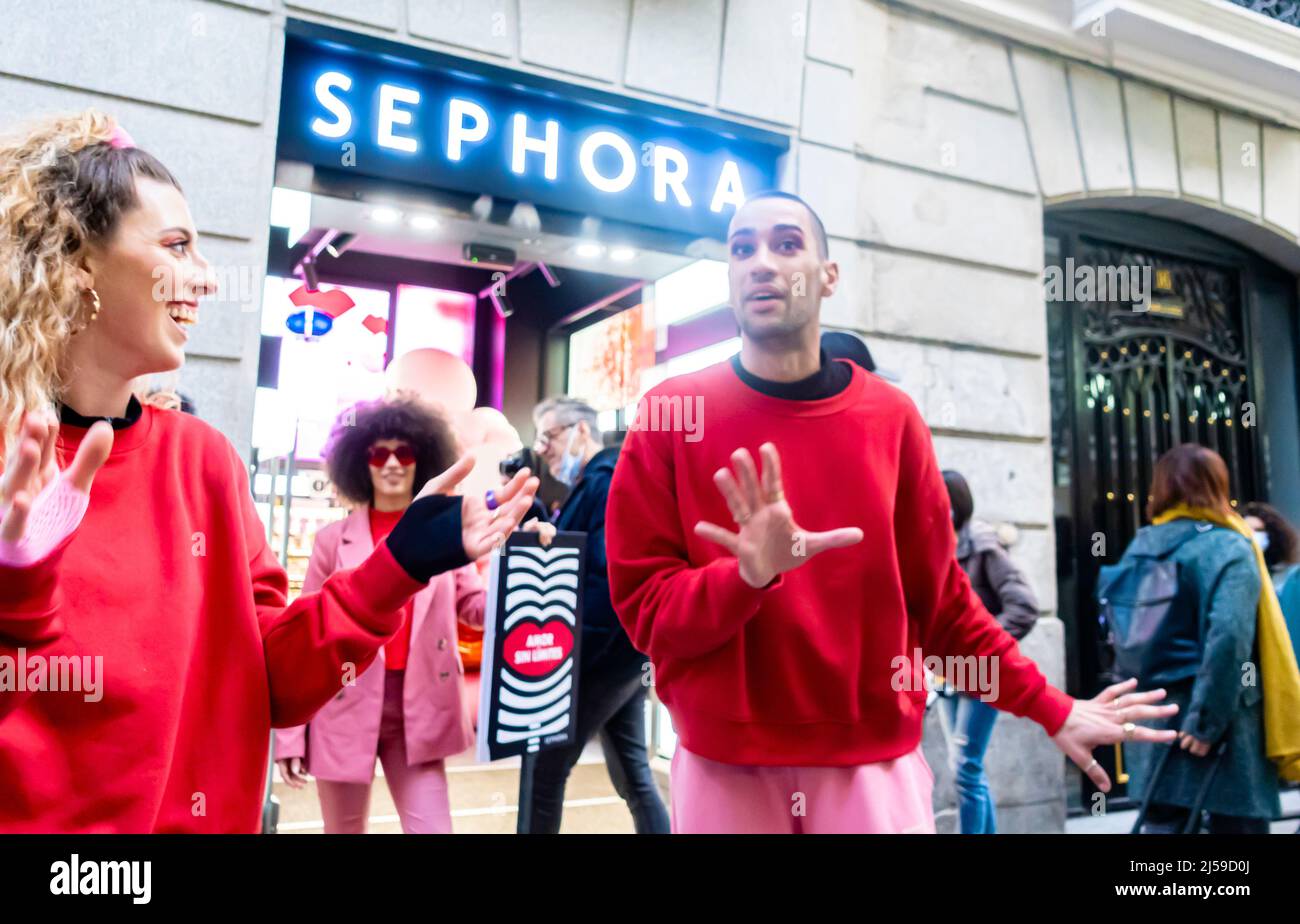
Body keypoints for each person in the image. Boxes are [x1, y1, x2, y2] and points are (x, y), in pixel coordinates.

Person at [0, 110, 538, 833]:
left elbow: (270, 684)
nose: (206, 279)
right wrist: (16, 595)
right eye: (178, 246)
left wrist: (403, 561)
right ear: (78, 260)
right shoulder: (14, 465)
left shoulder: (203, 461)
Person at [605, 190, 1176, 834]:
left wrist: (1050, 707)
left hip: (872, 765)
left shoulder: (891, 418)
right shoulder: (667, 415)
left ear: (828, 277)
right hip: (722, 765)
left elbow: (943, 609)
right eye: (742, 249)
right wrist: (746, 577)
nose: (761, 262)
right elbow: (645, 614)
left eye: (786, 244)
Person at [275, 397, 486, 834]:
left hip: (420, 712)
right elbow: (304, 636)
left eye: (404, 452)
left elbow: (476, 608)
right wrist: (290, 737)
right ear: (361, 462)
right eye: (379, 453)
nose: (392, 463)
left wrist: (520, 562)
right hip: (341, 709)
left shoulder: (445, 533)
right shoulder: (332, 540)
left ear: (422, 459)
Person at [516, 397, 670, 834]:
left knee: (542, 771)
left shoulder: (605, 482)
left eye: (550, 435)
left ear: (581, 430)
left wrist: (568, 654)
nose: (542, 447)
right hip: (624, 656)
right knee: (634, 776)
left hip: (598, 655)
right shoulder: (600, 481)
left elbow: (608, 578)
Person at [1117, 446, 1281, 833]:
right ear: (1218, 486)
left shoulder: (1139, 546)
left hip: (1151, 715)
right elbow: (1229, 637)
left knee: (1162, 828)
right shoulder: (1229, 546)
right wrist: (1205, 723)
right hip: (1219, 727)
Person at [941, 470, 1040, 834]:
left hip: (983, 672)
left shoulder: (983, 546)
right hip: (947, 672)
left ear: (952, 506)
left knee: (965, 767)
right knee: (966, 768)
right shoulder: (939, 546)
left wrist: (979, 645)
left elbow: (1024, 607)